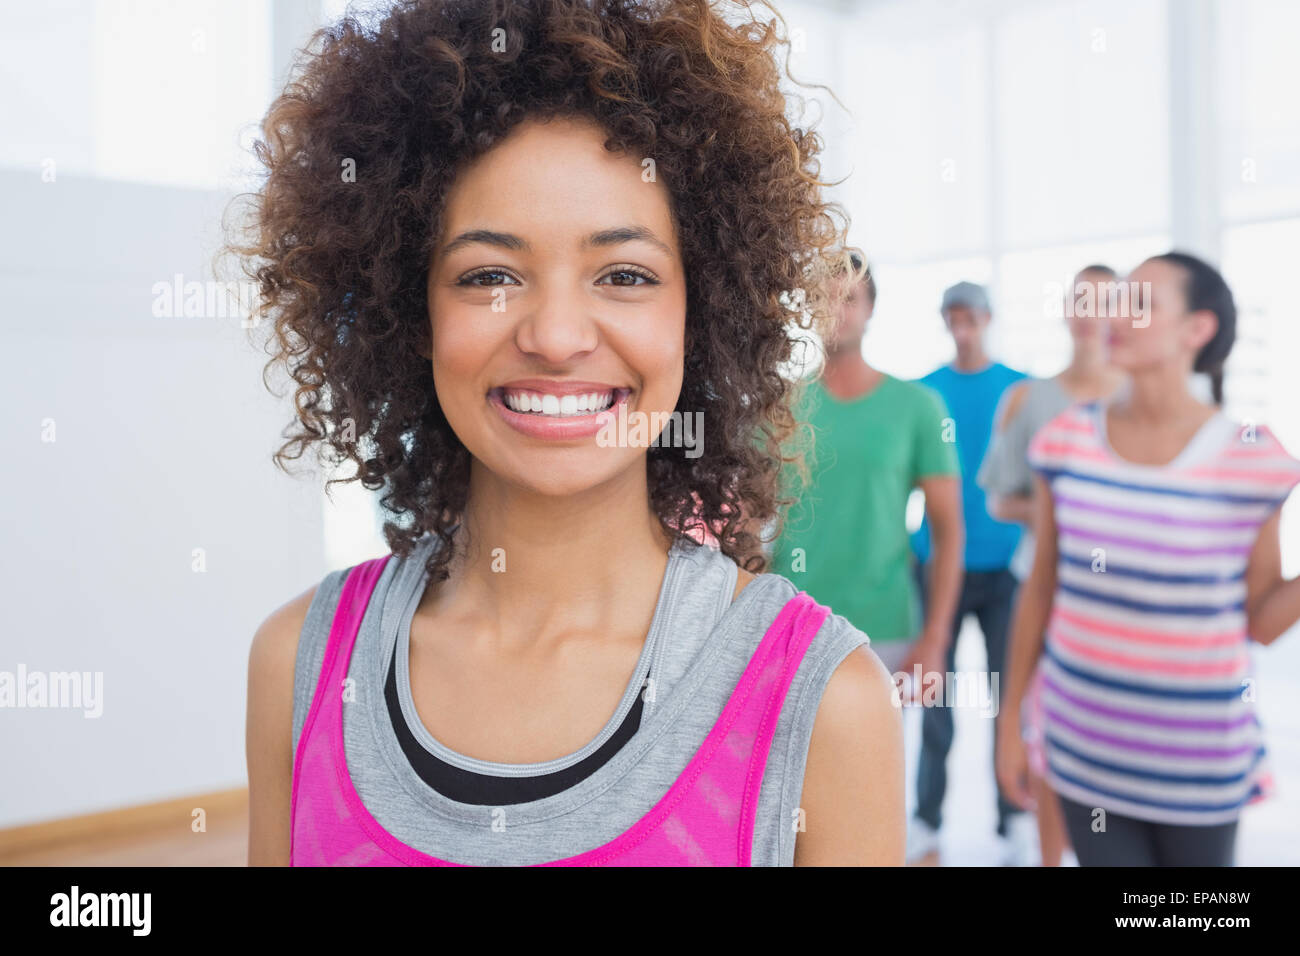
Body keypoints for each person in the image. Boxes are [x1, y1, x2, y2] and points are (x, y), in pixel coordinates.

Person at [239, 0, 903, 867]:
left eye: (624, 274)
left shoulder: (823, 703)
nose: (556, 336)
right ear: (412, 313)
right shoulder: (301, 664)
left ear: (701, 315)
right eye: (489, 275)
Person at [996, 251, 1300, 866]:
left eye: (1142, 302)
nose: (1116, 314)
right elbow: (1041, 592)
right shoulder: (1068, 441)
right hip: (1085, 754)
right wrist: (1011, 729)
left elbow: (1262, 623)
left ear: (1198, 329)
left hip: (1200, 769)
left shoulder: (1253, 458)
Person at [977, 265, 1127, 866]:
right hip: (1045, 588)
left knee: (1115, 733)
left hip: (1123, 597)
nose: (1091, 313)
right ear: (1067, 310)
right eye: (1081, 300)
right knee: (1047, 732)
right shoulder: (1029, 401)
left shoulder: (1139, 399)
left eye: (1105, 301)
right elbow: (999, 496)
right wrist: (1052, 510)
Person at [772, 253, 964, 682]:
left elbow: (948, 531)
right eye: (823, 298)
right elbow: (745, 519)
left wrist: (935, 638)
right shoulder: (779, 406)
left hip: (884, 628)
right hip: (786, 624)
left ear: (870, 308)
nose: (836, 311)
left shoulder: (917, 408)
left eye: (849, 298)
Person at [908, 280, 1031, 864]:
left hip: (1007, 568)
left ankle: (1013, 819)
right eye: (953, 319)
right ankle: (927, 819)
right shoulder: (924, 393)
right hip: (938, 568)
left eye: (972, 319)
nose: (963, 329)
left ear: (988, 318)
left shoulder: (1020, 391)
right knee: (937, 700)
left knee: (1011, 698)